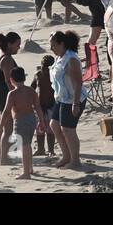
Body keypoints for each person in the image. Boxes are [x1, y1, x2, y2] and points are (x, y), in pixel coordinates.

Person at [1, 67, 45, 180]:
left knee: (24, 146)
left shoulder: (12, 94)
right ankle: (30, 168)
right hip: (32, 119)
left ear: (11, 80)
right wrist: (41, 121)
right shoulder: (31, 90)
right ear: (24, 78)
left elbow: (6, 111)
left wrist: (0, 126)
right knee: (28, 144)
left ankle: (26, 173)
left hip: (20, 121)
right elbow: (38, 107)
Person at [47, 30, 82, 168]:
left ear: (62, 44)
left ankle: (75, 161)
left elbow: (79, 83)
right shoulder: (60, 57)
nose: (51, 48)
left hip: (73, 99)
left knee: (68, 129)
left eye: (53, 45)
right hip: (61, 98)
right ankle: (66, 156)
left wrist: (76, 104)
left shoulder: (71, 59)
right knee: (54, 125)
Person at [0, 32, 21, 160]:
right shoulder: (7, 59)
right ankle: (4, 159)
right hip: (4, 95)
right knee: (7, 130)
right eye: (17, 45)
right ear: (9, 44)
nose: (19, 47)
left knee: (0, 128)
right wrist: (17, 98)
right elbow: (9, 81)